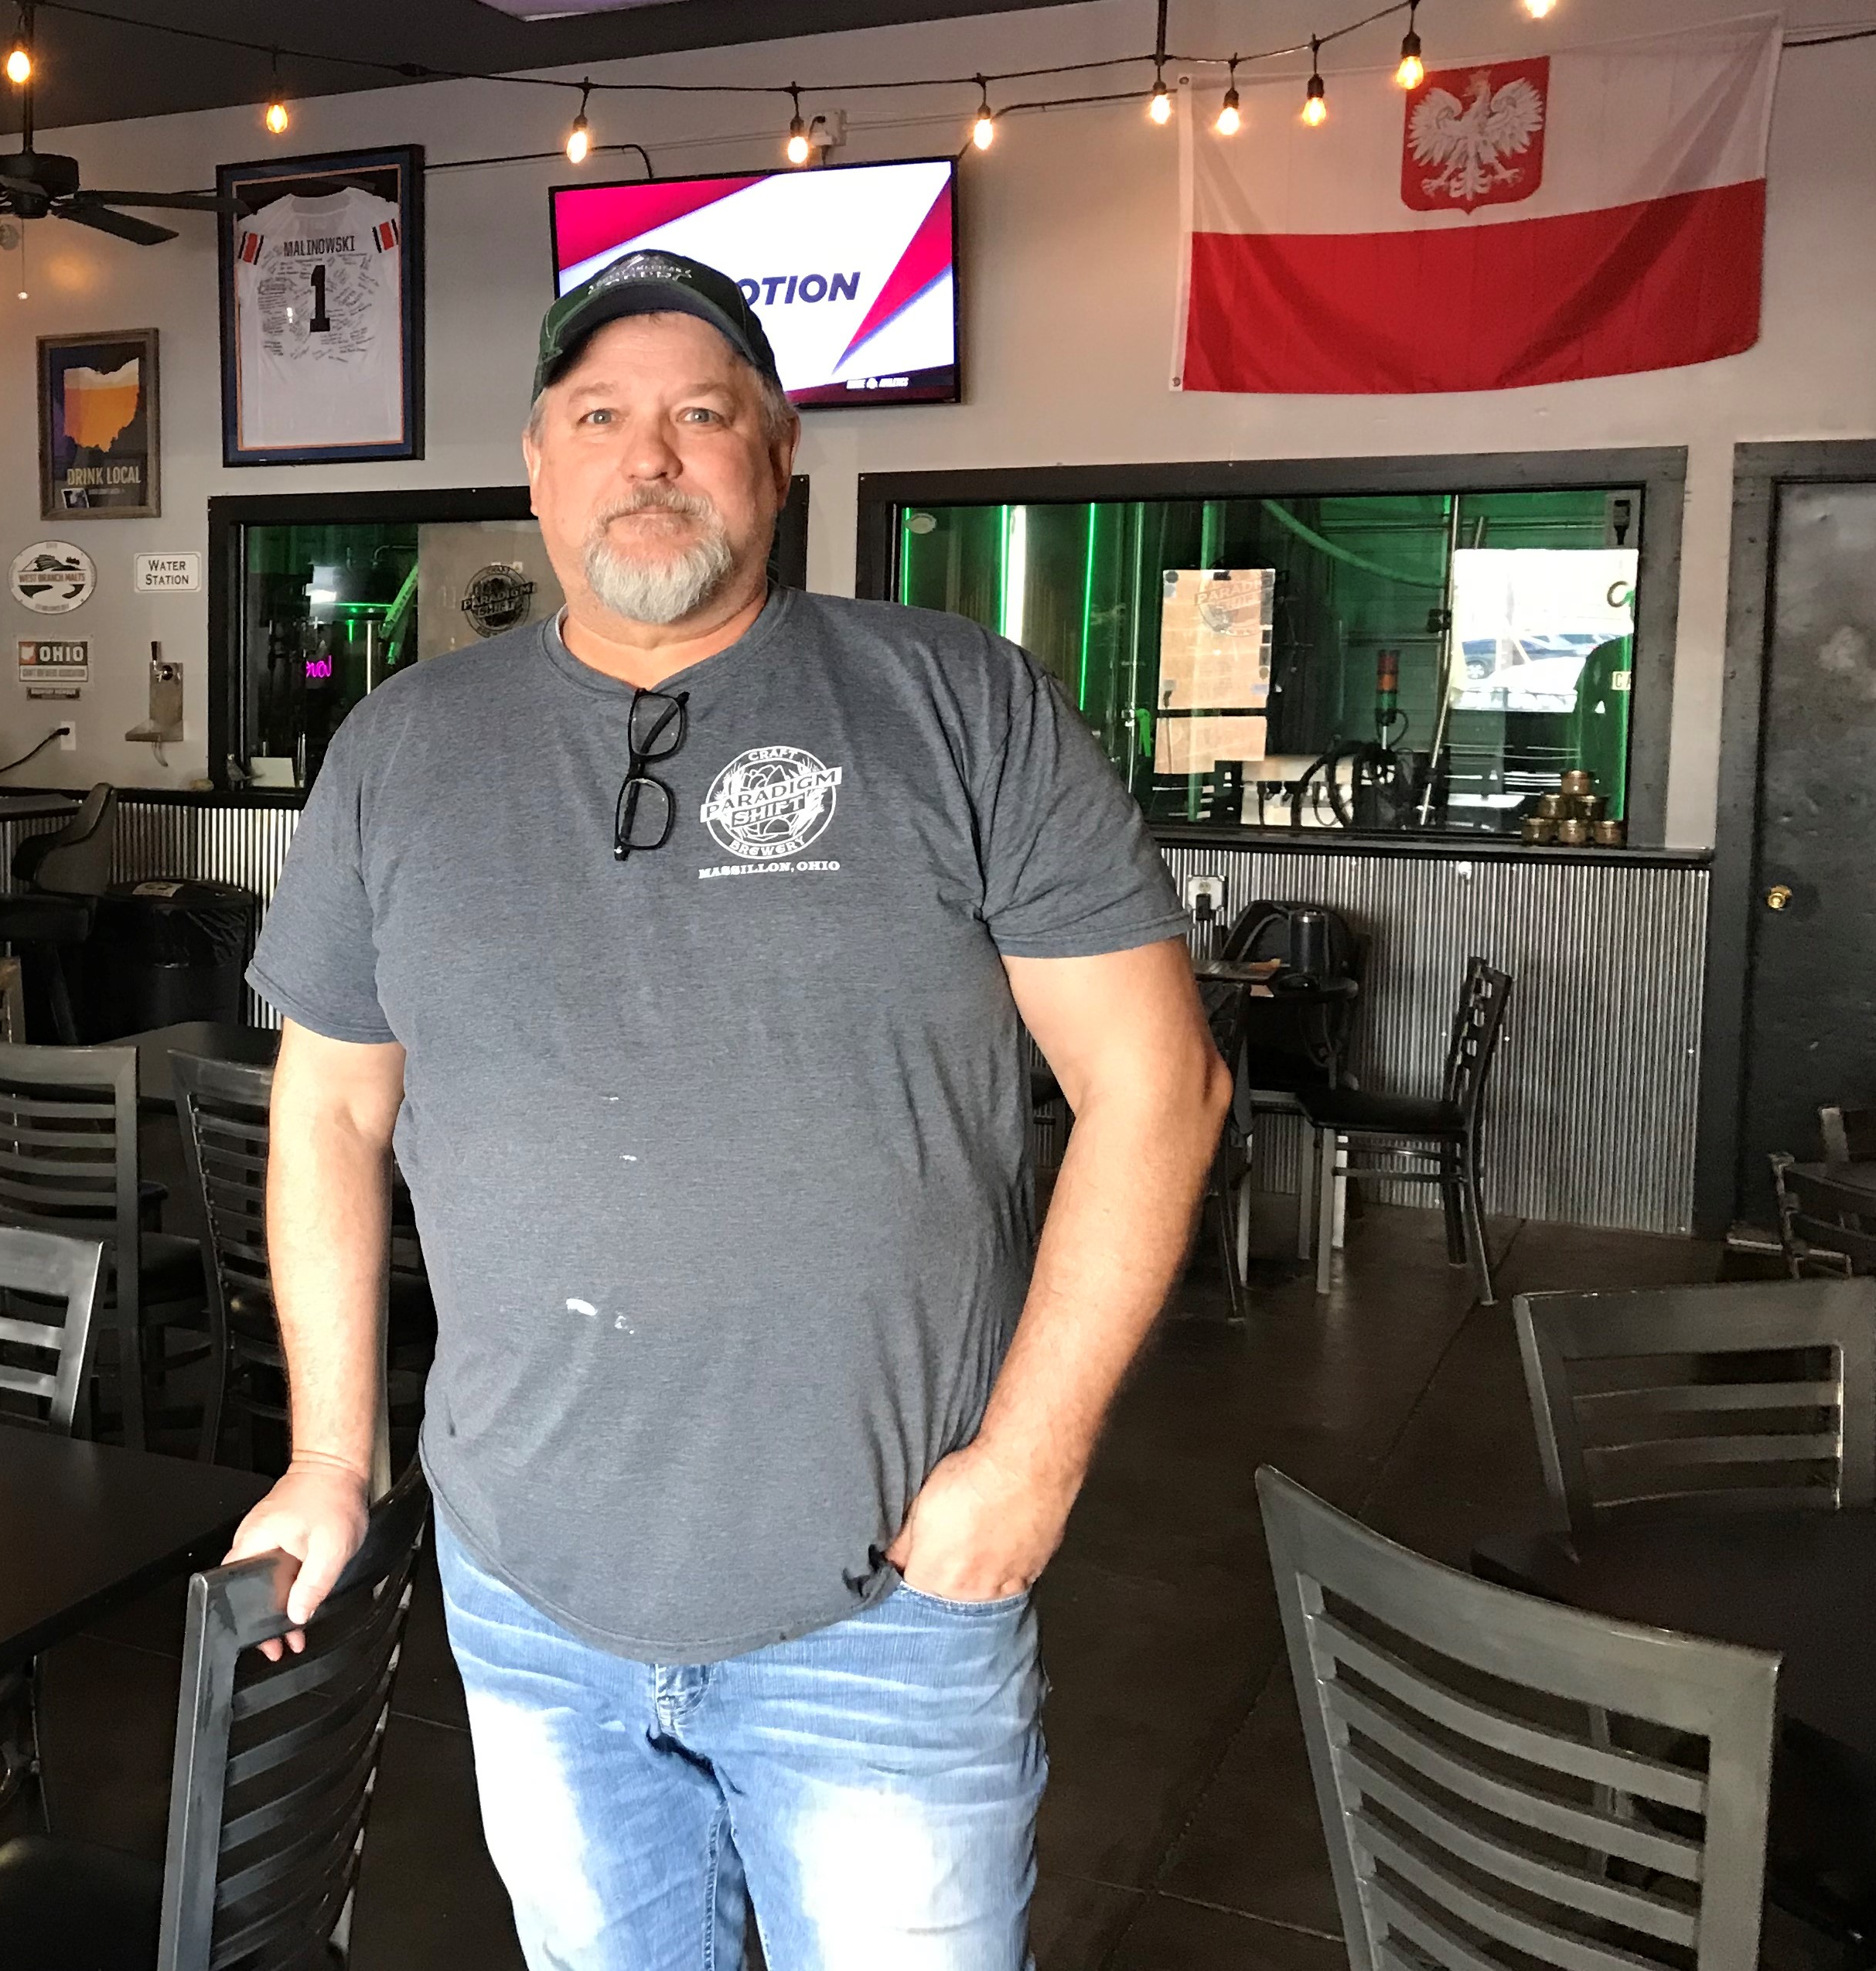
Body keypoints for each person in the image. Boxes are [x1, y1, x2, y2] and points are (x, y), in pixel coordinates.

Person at [228, 250, 1228, 1970]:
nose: (648, 455)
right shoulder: (400, 748)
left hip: (886, 1599)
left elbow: (1158, 1082)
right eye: (597, 415)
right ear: (536, 462)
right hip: (526, 1593)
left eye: (700, 413)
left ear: (777, 456)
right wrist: (331, 1456)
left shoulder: (957, 701)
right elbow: (327, 1108)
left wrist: (1031, 1460)